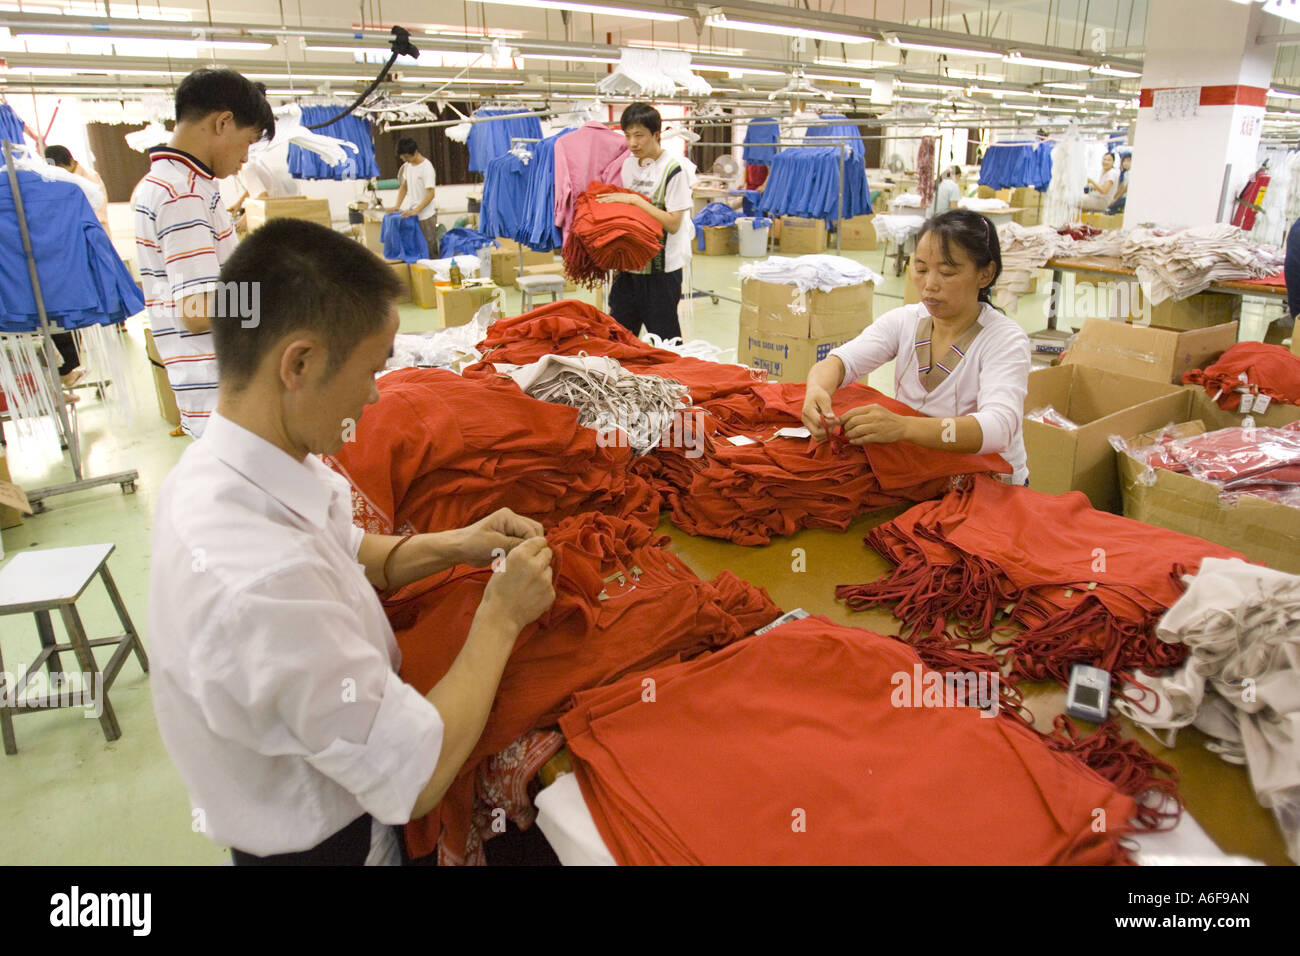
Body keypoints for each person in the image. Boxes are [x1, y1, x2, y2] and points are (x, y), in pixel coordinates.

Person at [148, 218, 557, 865]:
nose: (374, 395)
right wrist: (501, 616)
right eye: (371, 370)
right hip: (331, 844)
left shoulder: (233, 468)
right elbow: (416, 779)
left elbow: (349, 551)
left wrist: (457, 544)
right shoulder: (262, 584)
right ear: (300, 363)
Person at [801, 209, 1032, 486]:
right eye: (921, 269)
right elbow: (840, 362)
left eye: (947, 272)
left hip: (990, 483)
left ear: (985, 274)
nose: (929, 285)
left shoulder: (1003, 340)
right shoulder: (906, 321)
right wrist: (816, 391)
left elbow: (998, 428)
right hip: (922, 470)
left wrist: (904, 426)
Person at [131, 68, 273, 439]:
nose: (245, 159)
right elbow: (196, 309)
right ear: (224, 122)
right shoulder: (183, 193)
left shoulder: (173, 184)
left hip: (213, 390)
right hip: (222, 393)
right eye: (249, 142)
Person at [599, 102, 694, 340]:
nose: (632, 143)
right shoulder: (628, 164)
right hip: (629, 267)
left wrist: (635, 201)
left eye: (639, 135)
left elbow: (673, 223)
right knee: (619, 336)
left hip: (661, 271)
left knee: (664, 340)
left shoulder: (673, 170)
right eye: (628, 135)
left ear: (656, 134)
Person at [389, 137, 438, 257]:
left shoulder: (427, 167)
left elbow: (431, 193)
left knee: (429, 249)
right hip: (413, 215)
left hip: (426, 216)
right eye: (403, 157)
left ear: (415, 152)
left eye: (406, 157)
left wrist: (417, 210)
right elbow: (404, 186)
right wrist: (397, 205)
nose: (404, 160)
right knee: (415, 249)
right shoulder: (408, 166)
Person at [44, 145, 109, 226]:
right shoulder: (57, 179)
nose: (60, 173)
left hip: (93, 227)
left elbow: (99, 213)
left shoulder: (89, 177)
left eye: (62, 168)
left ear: (71, 161)